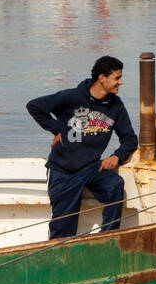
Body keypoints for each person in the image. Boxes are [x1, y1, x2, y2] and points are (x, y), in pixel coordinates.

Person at [26, 55, 138, 239]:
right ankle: (58, 250)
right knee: (62, 231)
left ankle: (107, 238)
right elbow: (34, 106)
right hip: (63, 171)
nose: (121, 82)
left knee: (114, 185)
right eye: (117, 78)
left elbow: (130, 139)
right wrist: (57, 130)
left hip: (91, 168)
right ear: (102, 78)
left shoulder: (115, 105)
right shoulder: (72, 97)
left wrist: (117, 156)